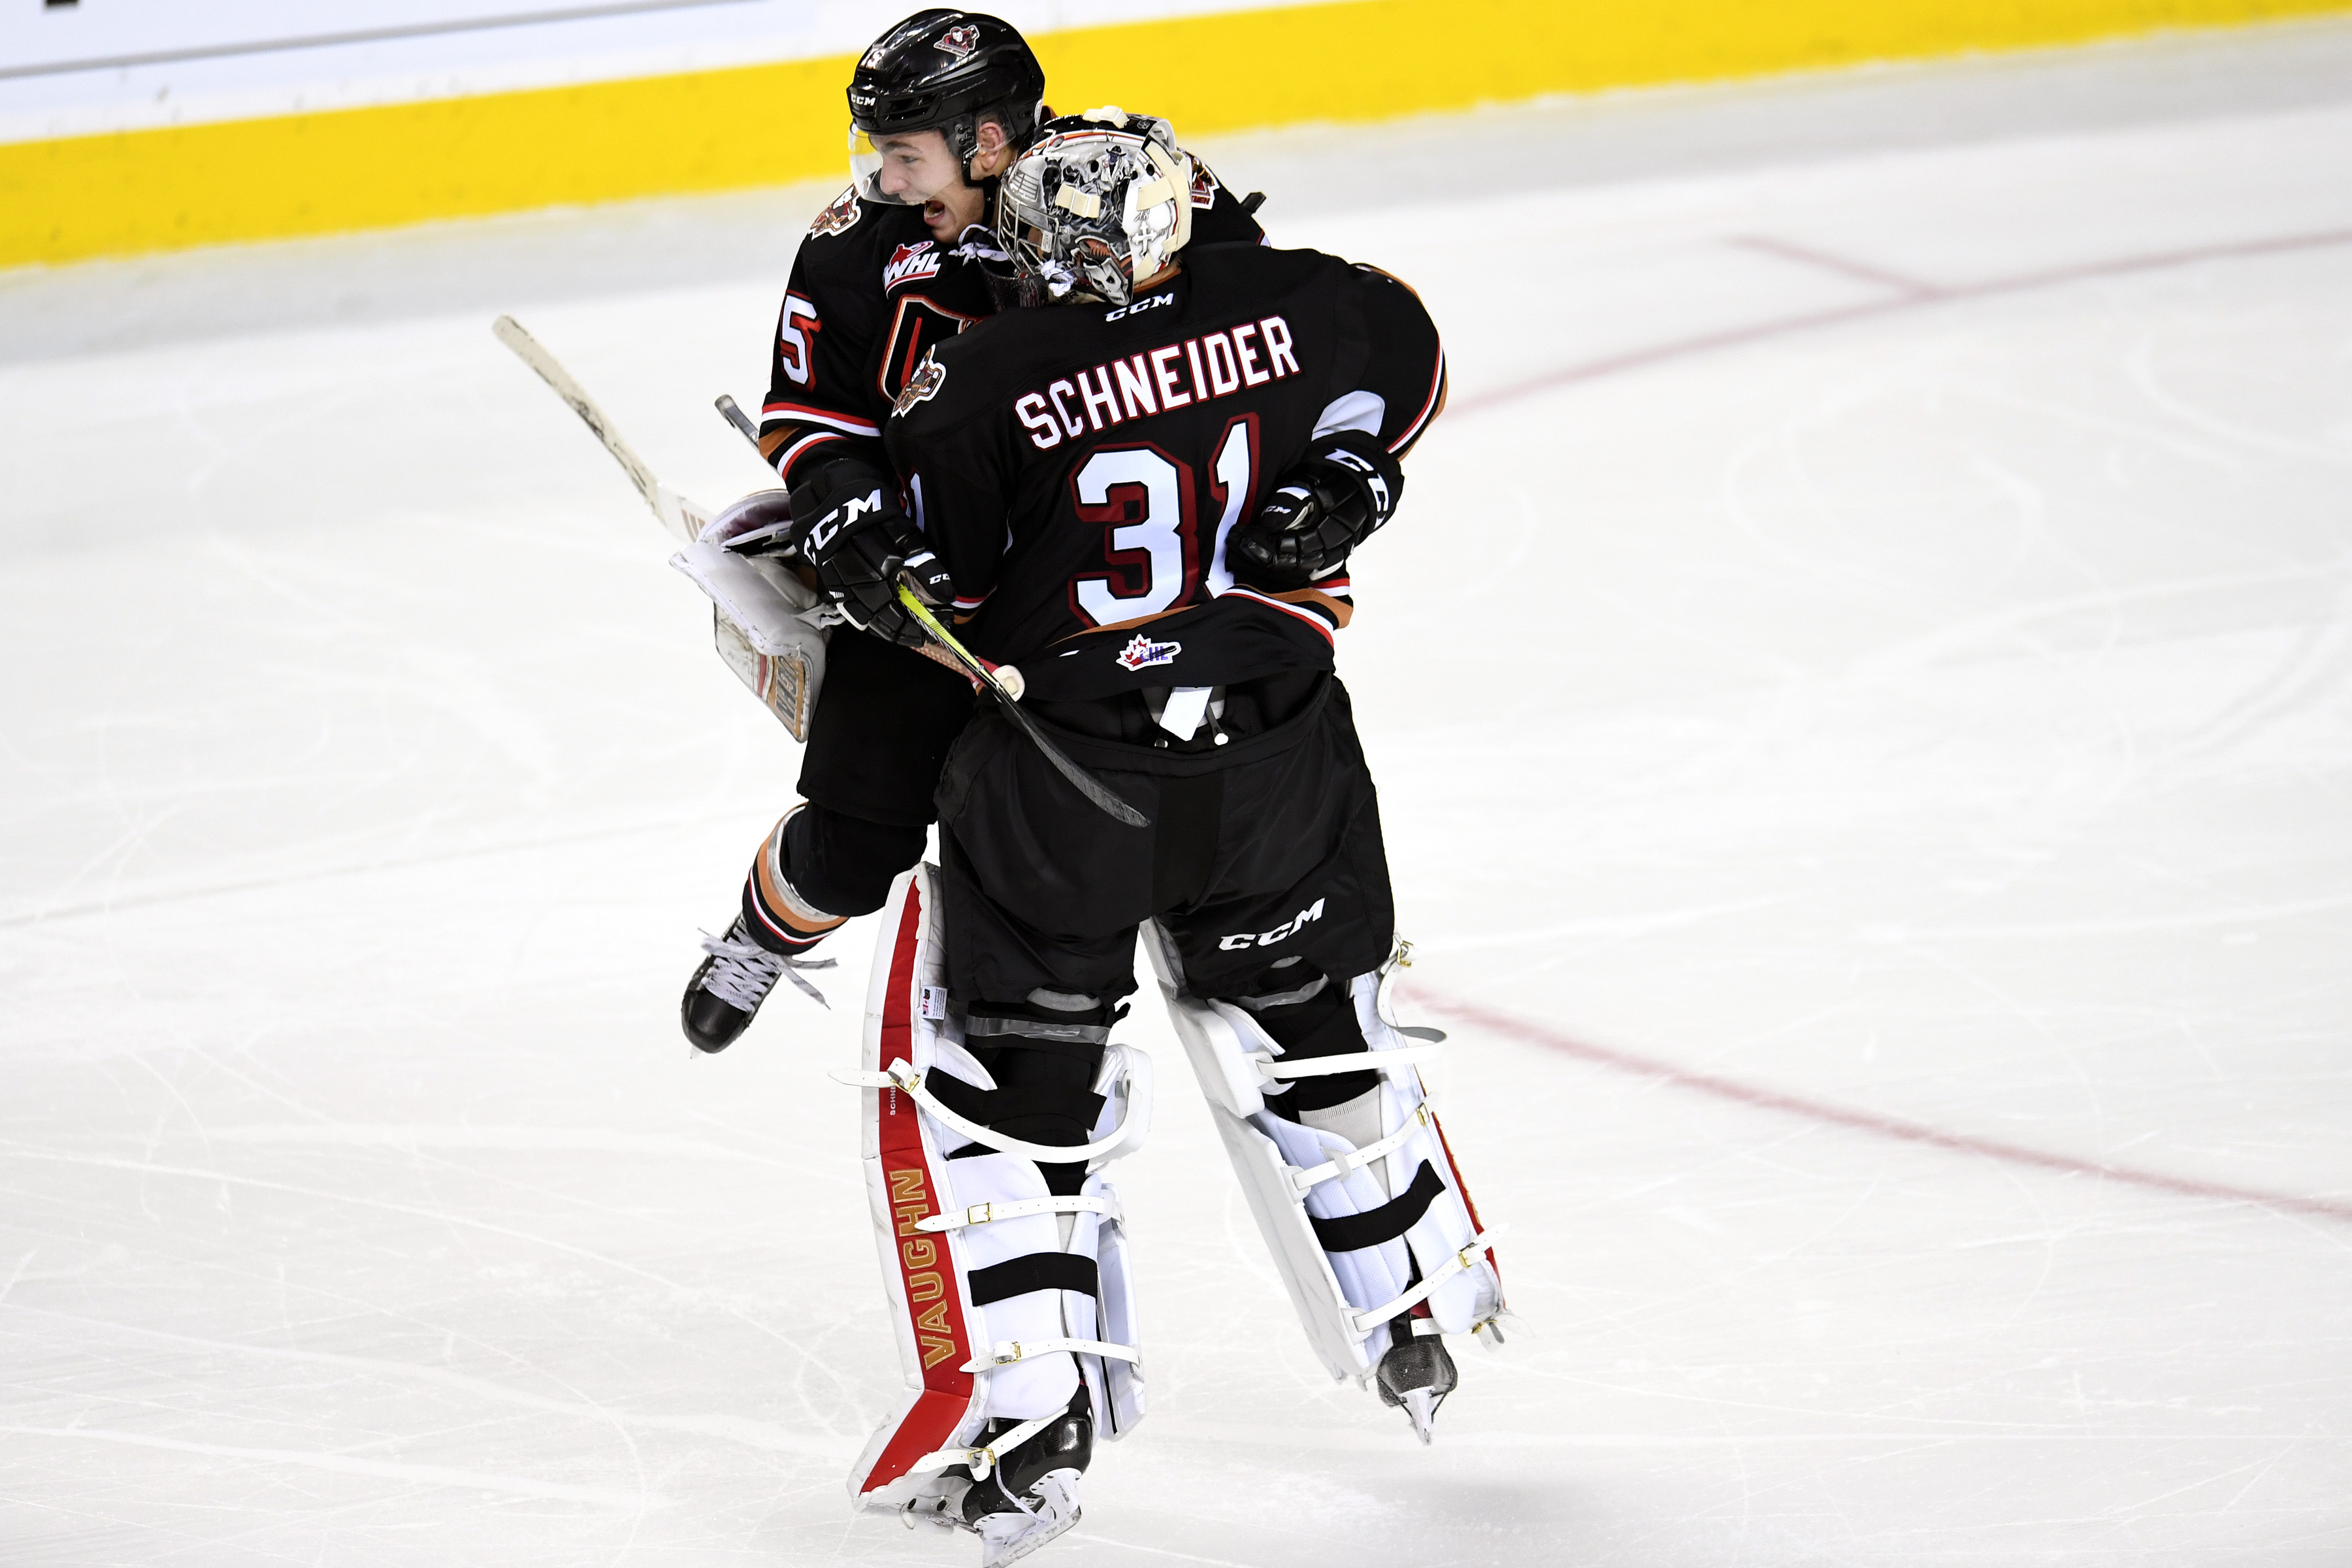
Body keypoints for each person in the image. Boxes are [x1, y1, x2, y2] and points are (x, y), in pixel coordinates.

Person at [828, 111, 1505, 1563]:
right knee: (1319, 1016)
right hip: (1274, 756)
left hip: (1070, 778)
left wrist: (848, 557)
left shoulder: (983, 372)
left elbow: (927, 591)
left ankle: (1033, 1433)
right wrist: (1354, 476)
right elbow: (1410, 356)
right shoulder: (1300, 297)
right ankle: (1417, 1313)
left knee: (1014, 1084)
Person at [679, 9, 1267, 1051]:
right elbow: (810, 414)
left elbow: (1253, 338)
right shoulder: (859, 244)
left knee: (1225, 789)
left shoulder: (1135, 181)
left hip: (1127, 580)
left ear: (987, 142)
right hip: (941, 583)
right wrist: (849, 510)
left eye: (905, 155)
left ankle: (1292, 971)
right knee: (857, 844)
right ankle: (766, 927)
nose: (886, 181)